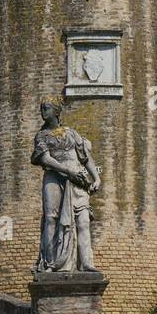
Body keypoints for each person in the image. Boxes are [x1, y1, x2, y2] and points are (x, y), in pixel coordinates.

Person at [31, 98, 100, 272]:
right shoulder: (41, 136)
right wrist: (68, 171)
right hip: (54, 178)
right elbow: (46, 159)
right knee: (51, 218)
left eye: (46, 108)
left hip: (77, 181)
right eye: (41, 108)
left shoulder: (71, 133)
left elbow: (85, 157)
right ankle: (50, 263)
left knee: (83, 221)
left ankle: (86, 263)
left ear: (56, 111)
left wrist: (96, 178)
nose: (42, 111)